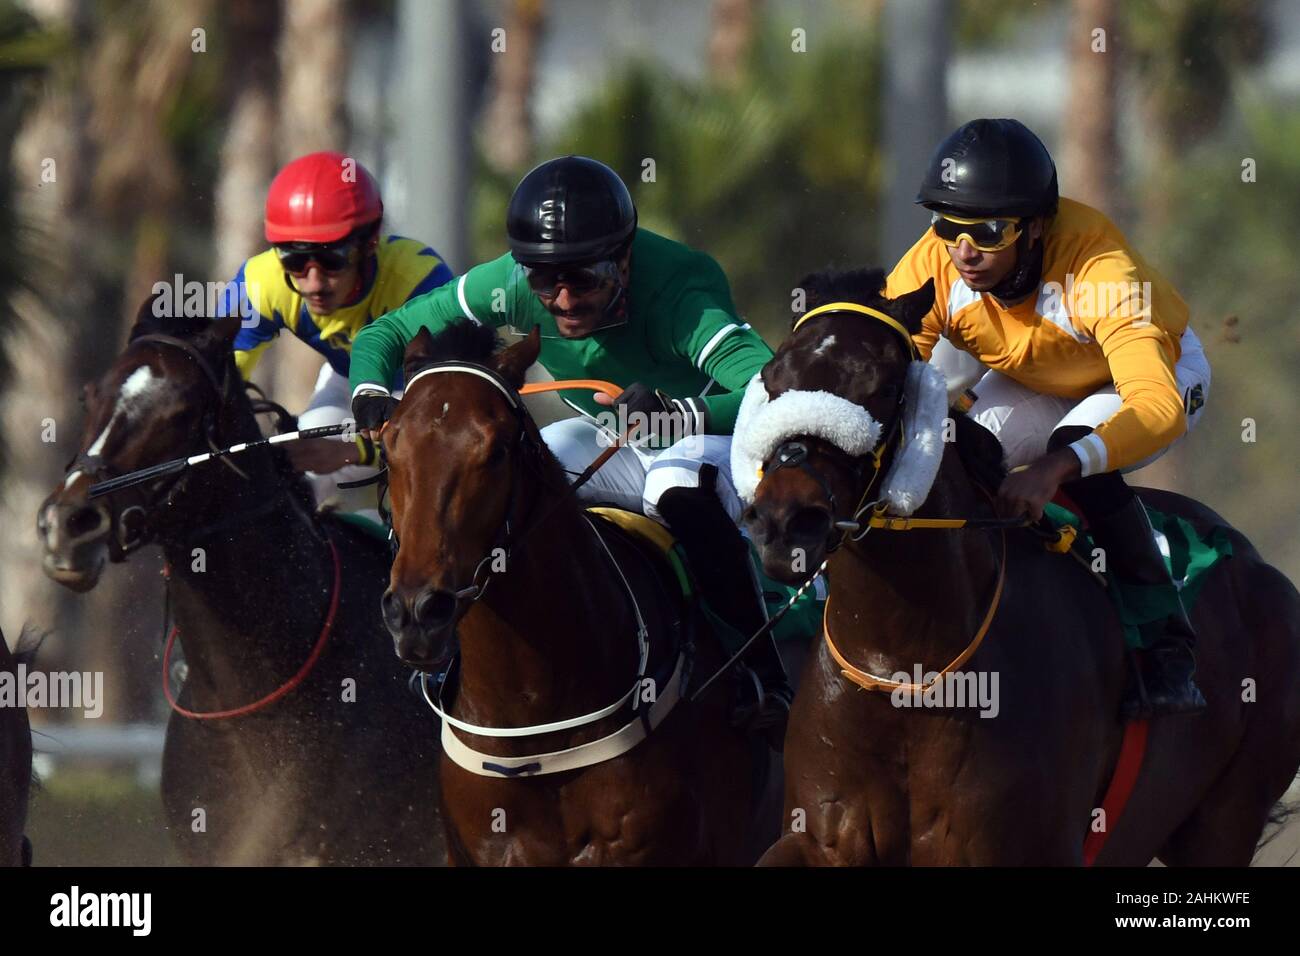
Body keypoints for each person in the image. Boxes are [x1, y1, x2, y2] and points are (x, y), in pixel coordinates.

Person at [349, 155, 792, 740]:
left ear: (626, 258)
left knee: (672, 485)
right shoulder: (508, 282)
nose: (560, 299)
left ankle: (758, 670)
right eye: (543, 280)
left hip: (714, 440)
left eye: (584, 279)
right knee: (532, 463)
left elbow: (771, 388)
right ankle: (468, 650)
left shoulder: (681, 287)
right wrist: (370, 391)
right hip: (618, 436)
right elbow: (387, 332)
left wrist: (686, 412)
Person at [886, 118, 1211, 718]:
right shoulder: (935, 263)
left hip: (1150, 376)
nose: (962, 251)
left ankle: (1166, 642)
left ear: (1035, 228)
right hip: (1038, 376)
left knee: (1076, 453)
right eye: (946, 224)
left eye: (986, 231)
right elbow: (886, 368)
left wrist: (1055, 468)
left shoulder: (1100, 269)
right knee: (967, 458)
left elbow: (1155, 406)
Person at [219, 150, 454, 513]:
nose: (314, 283)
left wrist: (355, 451)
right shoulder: (259, 283)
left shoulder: (421, 283)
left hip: (421, 396)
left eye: (331, 259)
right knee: (295, 465)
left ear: (369, 244)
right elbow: (213, 384)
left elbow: (451, 429)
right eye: (295, 261)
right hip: (347, 380)